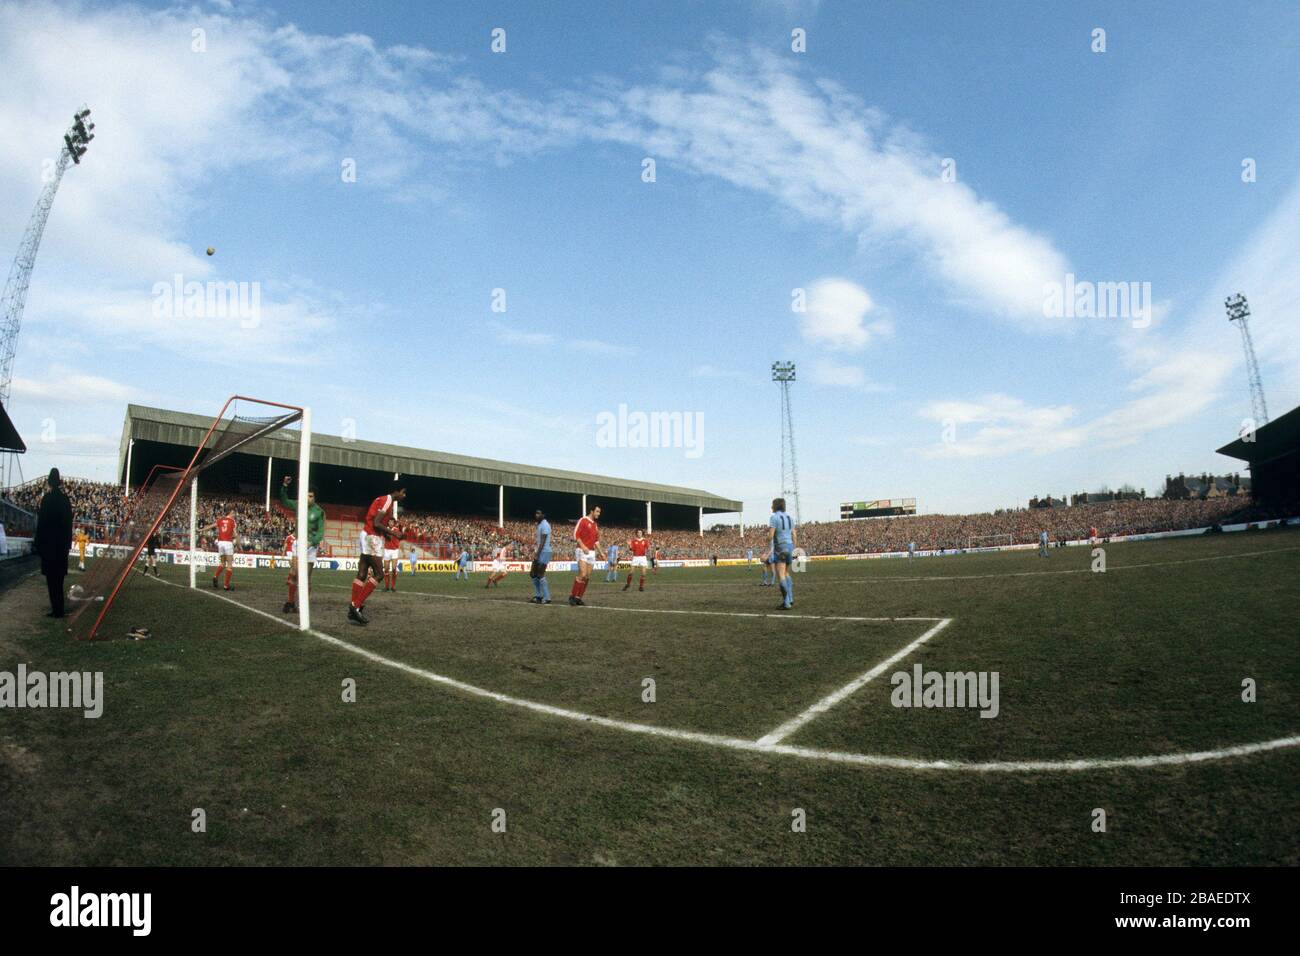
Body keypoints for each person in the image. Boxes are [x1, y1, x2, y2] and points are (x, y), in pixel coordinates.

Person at [349, 481, 406, 626]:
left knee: (362, 573)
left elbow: (375, 522)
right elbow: (376, 522)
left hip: (366, 534)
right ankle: (356, 606)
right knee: (379, 574)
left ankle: (353, 608)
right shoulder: (387, 500)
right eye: (403, 493)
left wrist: (386, 535)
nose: (403, 496)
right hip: (371, 537)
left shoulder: (381, 499)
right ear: (397, 491)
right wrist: (394, 533)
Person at [280, 475, 326, 614]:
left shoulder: (319, 512)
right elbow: (284, 501)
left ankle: (303, 605)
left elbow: (320, 532)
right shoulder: (298, 505)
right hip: (297, 543)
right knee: (294, 574)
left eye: (311, 496)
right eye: (306, 495)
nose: (308, 498)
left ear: (315, 497)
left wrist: (311, 542)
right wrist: (285, 486)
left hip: (310, 547)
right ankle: (290, 602)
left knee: (305, 578)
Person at [35, 468, 73, 619]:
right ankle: (59, 609)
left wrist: (39, 544)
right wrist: (67, 545)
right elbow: (69, 524)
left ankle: (56, 609)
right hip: (61, 547)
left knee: (51, 579)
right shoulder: (65, 500)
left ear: (50, 482)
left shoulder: (47, 499)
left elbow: (41, 524)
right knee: (59, 579)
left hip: (49, 546)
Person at [568, 503, 602, 606]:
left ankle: (579, 597)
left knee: (587, 576)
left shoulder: (595, 525)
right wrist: (583, 546)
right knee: (582, 574)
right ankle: (572, 596)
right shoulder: (583, 520)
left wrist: (601, 553)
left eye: (599, 512)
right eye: (597, 511)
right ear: (591, 511)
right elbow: (575, 535)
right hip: (581, 550)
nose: (598, 514)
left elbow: (596, 541)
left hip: (591, 552)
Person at [768, 497, 797, 610]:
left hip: (780, 547)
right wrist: (793, 547)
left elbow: (770, 536)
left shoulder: (774, 518)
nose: (771, 507)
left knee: (780, 575)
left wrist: (766, 539)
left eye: (772, 505)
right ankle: (790, 598)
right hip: (790, 546)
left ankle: (786, 603)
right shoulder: (790, 518)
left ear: (776, 506)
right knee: (786, 573)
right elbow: (794, 535)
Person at [200, 509, 237, 590]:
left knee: (223, 563)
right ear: (229, 513)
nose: (234, 514)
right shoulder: (232, 521)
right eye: (233, 513)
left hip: (220, 543)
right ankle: (226, 586)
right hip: (228, 543)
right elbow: (235, 534)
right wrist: (238, 543)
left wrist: (201, 530)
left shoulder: (220, 520)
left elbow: (211, 526)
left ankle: (215, 576)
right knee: (229, 565)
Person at [528, 509, 552, 604]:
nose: (536, 515)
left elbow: (543, 542)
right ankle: (538, 596)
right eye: (536, 513)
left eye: (538, 513)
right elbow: (539, 542)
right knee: (533, 574)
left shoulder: (545, 525)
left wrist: (537, 554)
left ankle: (547, 597)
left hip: (545, 552)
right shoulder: (540, 525)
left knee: (540, 574)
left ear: (543, 515)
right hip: (541, 551)